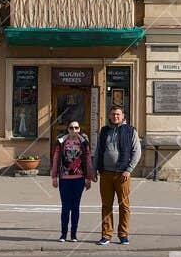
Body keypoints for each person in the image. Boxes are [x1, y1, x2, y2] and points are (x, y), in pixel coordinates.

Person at [94, 105, 141, 245]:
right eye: (113, 114)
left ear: (123, 116)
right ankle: (106, 235)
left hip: (123, 174)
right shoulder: (104, 131)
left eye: (118, 114)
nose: (115, 116)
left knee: (124, 205)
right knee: (106, 205)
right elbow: (98, 152)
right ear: (109, 115)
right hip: (105, 174)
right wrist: (94, 170)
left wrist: (129, 169)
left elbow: (137, 152)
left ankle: (123, 234)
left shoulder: (130, 131)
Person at [51, 120, 94, 241]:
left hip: (79, 179)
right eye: (71, 128)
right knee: (65, 207)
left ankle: (74, 234)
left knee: (75, 207)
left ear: (79, 129)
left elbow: (88, 160)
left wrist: (89, 178)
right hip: (64, 179)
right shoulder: (61, 142)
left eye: (76, 128)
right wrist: (54, 177)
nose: (73, 130)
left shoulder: (84, 143)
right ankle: (63, 234)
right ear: (68, 129)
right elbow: (55, 159)